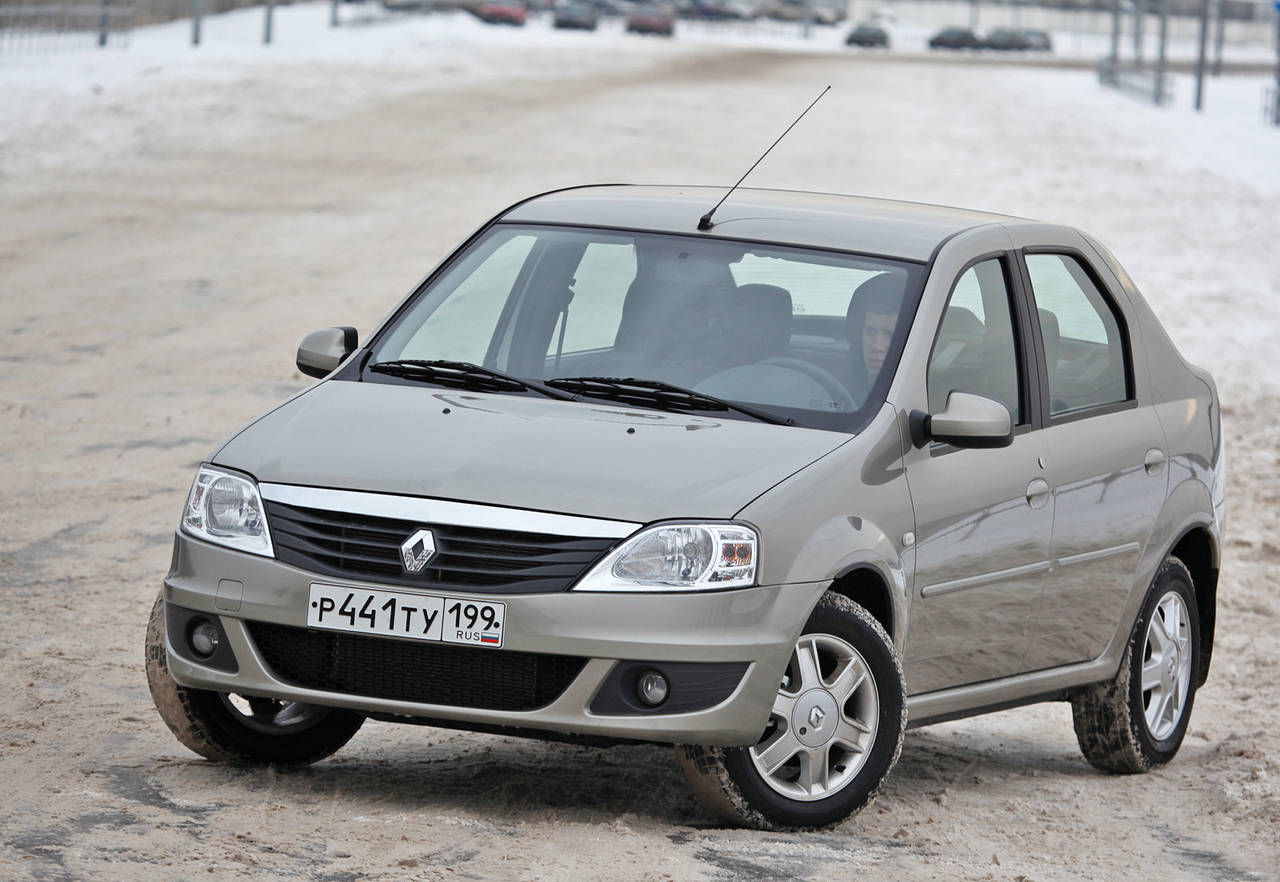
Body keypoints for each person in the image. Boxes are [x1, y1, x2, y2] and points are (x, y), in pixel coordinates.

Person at [845, 272, 905, 402]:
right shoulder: (835, 384)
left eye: (889, 334)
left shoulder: (918, 396)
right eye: (870, 332)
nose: (876, 346)